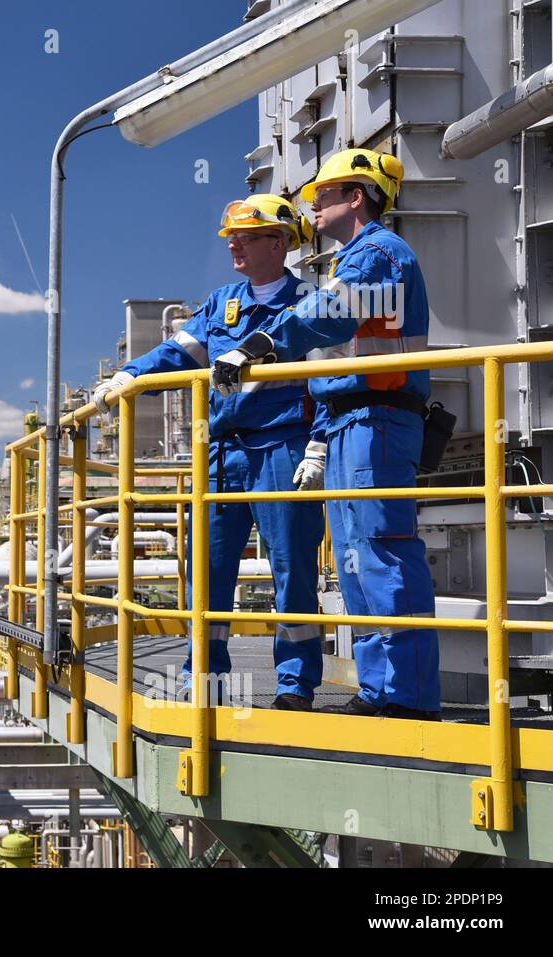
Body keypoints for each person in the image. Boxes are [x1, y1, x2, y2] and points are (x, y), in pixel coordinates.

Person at [210, 148, 440, 720]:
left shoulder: (380, 253)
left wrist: (259, 343)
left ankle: (408, 697)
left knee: (380, 553)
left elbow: (329, 314)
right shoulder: (350, 260)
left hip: (377, 418)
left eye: (323, 195)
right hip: (347, 421)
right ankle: (380, 688)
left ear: (355, 197)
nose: (311, 205)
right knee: (355, 562)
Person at [93, 195, 326, 711]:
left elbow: (331, 379)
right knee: (208, 572)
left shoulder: (312, 302)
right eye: (231, 239)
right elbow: (178, 352)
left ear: (279, 243)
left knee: (292, 571)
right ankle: (204, 681)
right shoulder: (224, 303)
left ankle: (293, 687)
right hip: (221, 454)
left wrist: (319, 443)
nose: (234, 246)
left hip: (283, 446)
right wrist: (129, 375)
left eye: (245, 237)